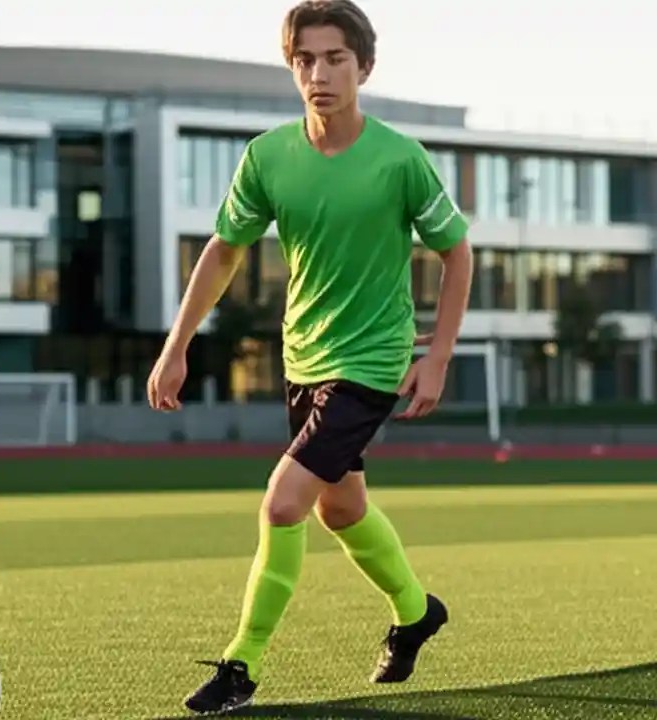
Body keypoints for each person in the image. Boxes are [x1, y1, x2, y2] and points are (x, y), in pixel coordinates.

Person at [146, 0, 474, 713]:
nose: (318, 74)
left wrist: (438, 356)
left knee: (284, 501)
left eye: (334, 59)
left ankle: (242, 666)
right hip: (305, 358)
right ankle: (417, 613)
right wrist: (177, 346)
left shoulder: (399, 158)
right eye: (304, 61)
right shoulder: (268, 157)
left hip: (375, 359)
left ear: (365, 67)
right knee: (340, 508)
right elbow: (224, 249)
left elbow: (457, 251)